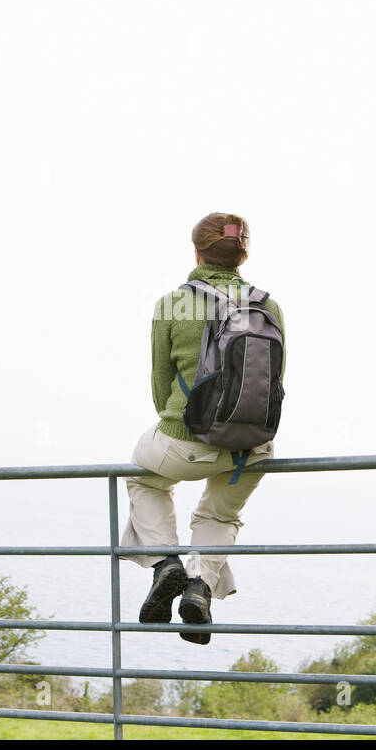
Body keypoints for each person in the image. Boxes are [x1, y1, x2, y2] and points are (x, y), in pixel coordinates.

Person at [120, 212, 285, 644]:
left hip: (185, 441)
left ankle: (165, 564)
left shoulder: (172, 303)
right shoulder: (268, 305)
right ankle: (199, 585)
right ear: (243, 255)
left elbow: (160, 389)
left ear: (197, 251)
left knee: (143, 480)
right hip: (253, 445)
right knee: (220, 513)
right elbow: (274, 383)